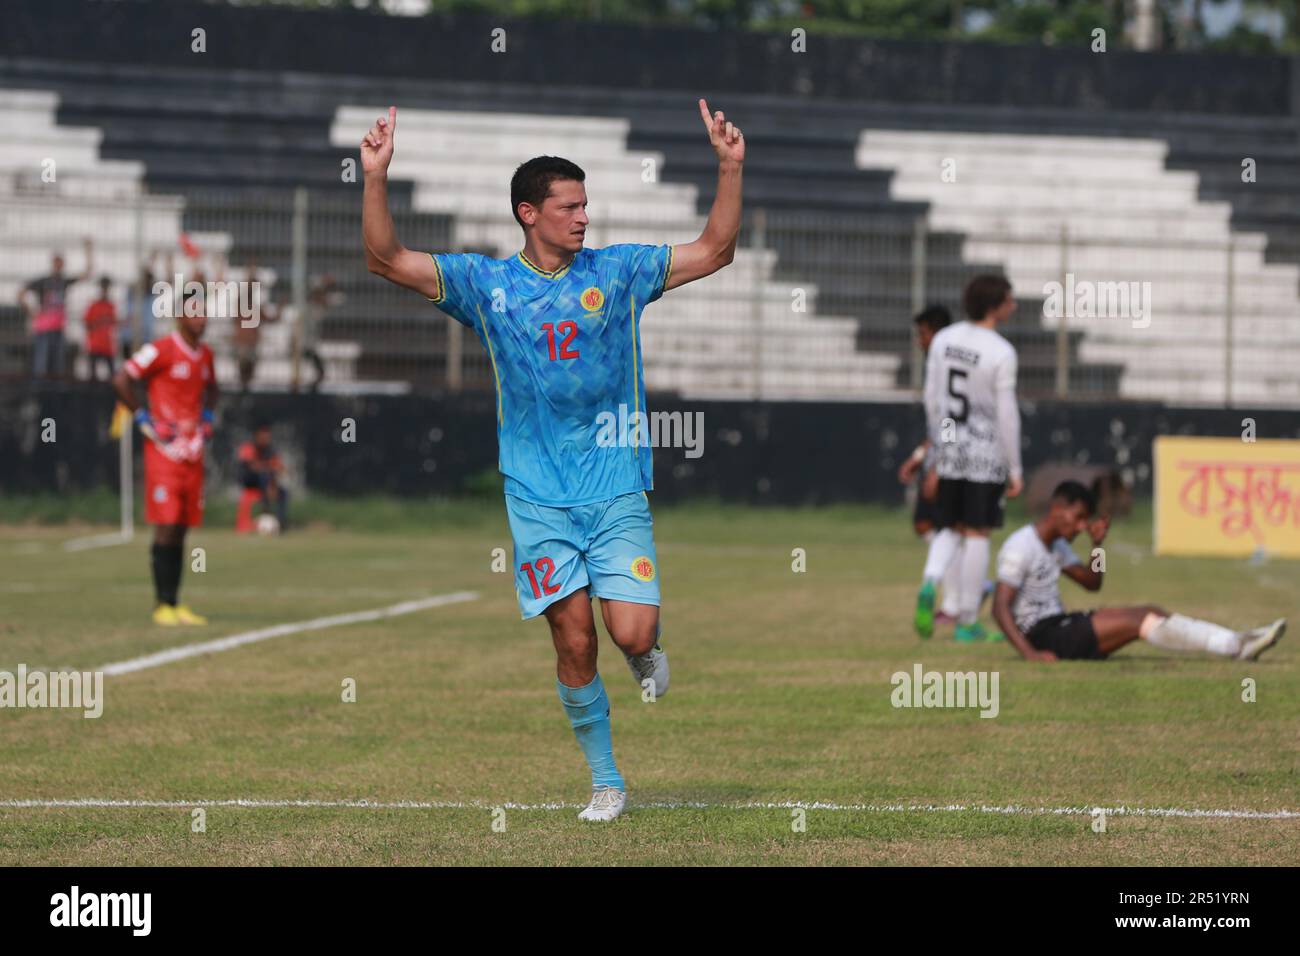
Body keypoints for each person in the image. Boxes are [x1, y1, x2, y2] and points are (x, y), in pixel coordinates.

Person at [361, 100, 742, 820]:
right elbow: (385, 259)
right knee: (573, 640)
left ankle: (644, 651)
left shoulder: (622, 271)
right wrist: (375, 176)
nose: (583, 218)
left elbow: (714, 249)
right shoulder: (486, 286)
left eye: (587, 205)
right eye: (568, 207)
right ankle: (606, 780)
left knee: (630, 631)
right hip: (537, 494)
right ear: (528, 213)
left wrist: (729, 166)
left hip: (615, 482)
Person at [993, 481, 1284, 662]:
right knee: (1142, 620)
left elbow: (1093, 583)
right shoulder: (1021, 545)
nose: (1082, 526)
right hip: (1045, 635)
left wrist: (1097, 546)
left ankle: (1236, 641)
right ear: (1057, 508)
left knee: (1151, 611)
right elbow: (999, 608)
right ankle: (1234, 646)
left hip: (1060, 625)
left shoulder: (1056, 545)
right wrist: (1030, 654)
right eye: (1079, 517)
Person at [916, 275, 1022, 643]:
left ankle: (930, 582)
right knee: (978, 532)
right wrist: (1015, 467)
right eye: (1010, 300)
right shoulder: (1001, 351)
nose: (1015, 306)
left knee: (949, 526)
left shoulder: (944, 339)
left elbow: (932, 399)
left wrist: (940, 446)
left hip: (951, 448)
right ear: (996, 305)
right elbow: (1006, 415)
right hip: (985, 453)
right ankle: (965, 621)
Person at [112, 286, 217, 627]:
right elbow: (122, 378)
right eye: (195, 312)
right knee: (166, 525)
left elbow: (213, 390)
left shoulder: (205, 356)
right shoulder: (162, 349)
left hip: (192, 453)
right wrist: (142, 417)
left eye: (204, 312)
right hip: (164, 452)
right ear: (180, 316)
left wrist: (207, 420)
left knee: (183, 527)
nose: (201, 319)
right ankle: (161, 604)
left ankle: (174, 602)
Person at [21, 240, 94, 379]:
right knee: (41, 364)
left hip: (58, 329)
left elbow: (86, 274)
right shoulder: (43, 281)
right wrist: (30, 310)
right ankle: (40, 391)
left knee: (57, 365)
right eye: (56, 262)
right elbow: (21, 293)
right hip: (43, 330)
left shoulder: (63, 282)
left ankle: (53, 393)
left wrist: (88, 250)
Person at [238, 421, 289, 530]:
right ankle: (265, 512)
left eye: (267, 437)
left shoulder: (271, 451)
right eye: (263, 436)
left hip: (267, 482)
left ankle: (280, 523)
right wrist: (270, 467)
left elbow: (280, 468)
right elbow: (252, 467)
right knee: (263, 475)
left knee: (283, 492)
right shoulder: (248, 447)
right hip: (250, 481)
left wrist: (274, 485)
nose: (265, 439)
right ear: (257, 436)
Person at [83, 276, 119, 382]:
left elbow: (114, 323)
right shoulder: (93, 305)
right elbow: (87, 324)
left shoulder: (110, 306)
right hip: (95, 345)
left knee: (112, 375)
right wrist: (99, 322)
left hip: (107, 345)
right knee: (92, 376)